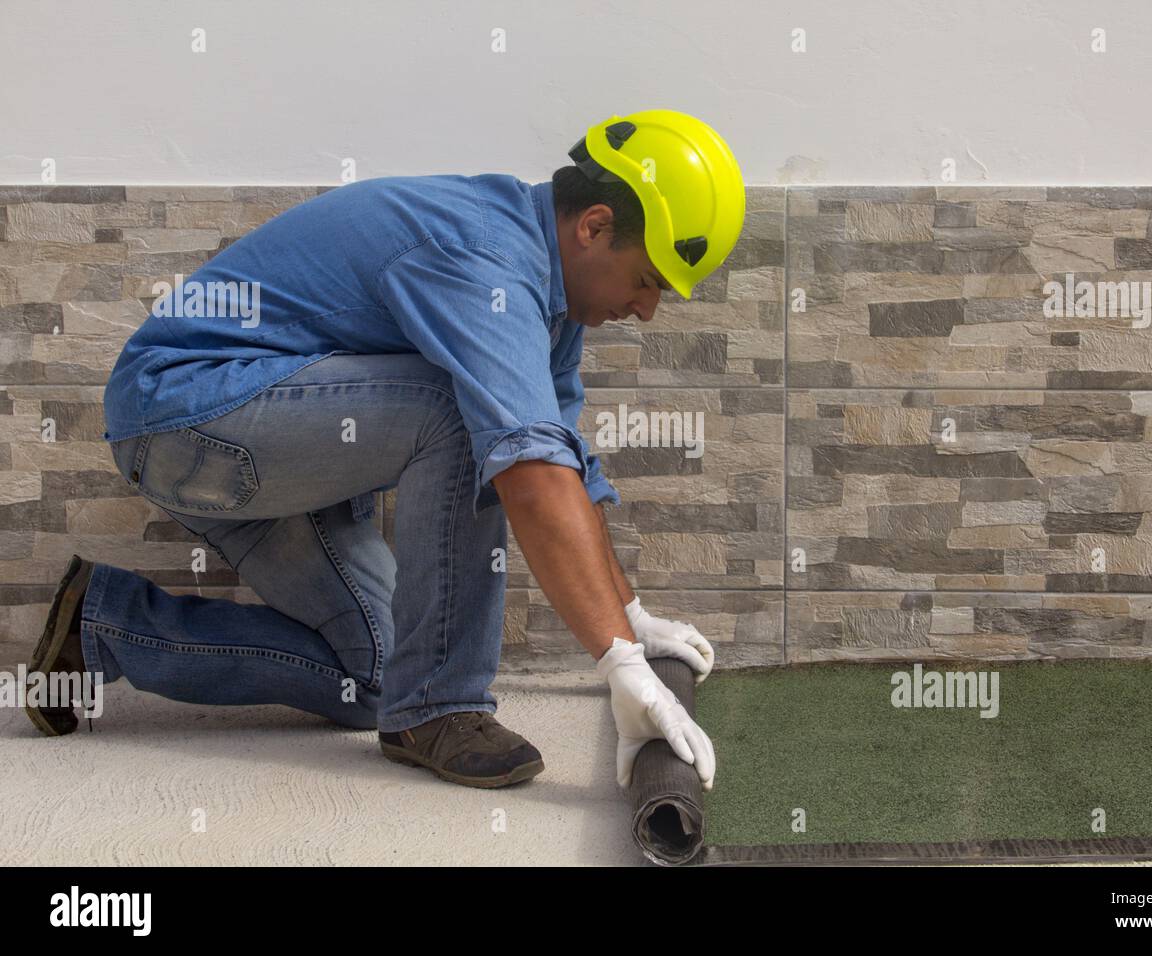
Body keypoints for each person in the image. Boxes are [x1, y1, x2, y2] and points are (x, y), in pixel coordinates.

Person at [25, 109, 747, 792]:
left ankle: (105, 625)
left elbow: (561, 464)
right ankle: (439, 708)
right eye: (648, 280)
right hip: (185, 417)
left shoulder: (542, 304)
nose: (648, 308)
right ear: (595, 226)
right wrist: (618, 664)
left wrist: (634, 618)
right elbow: (528, 473)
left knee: (375, 677)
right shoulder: (485, 260)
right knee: (460, 408)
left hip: (270, 453)